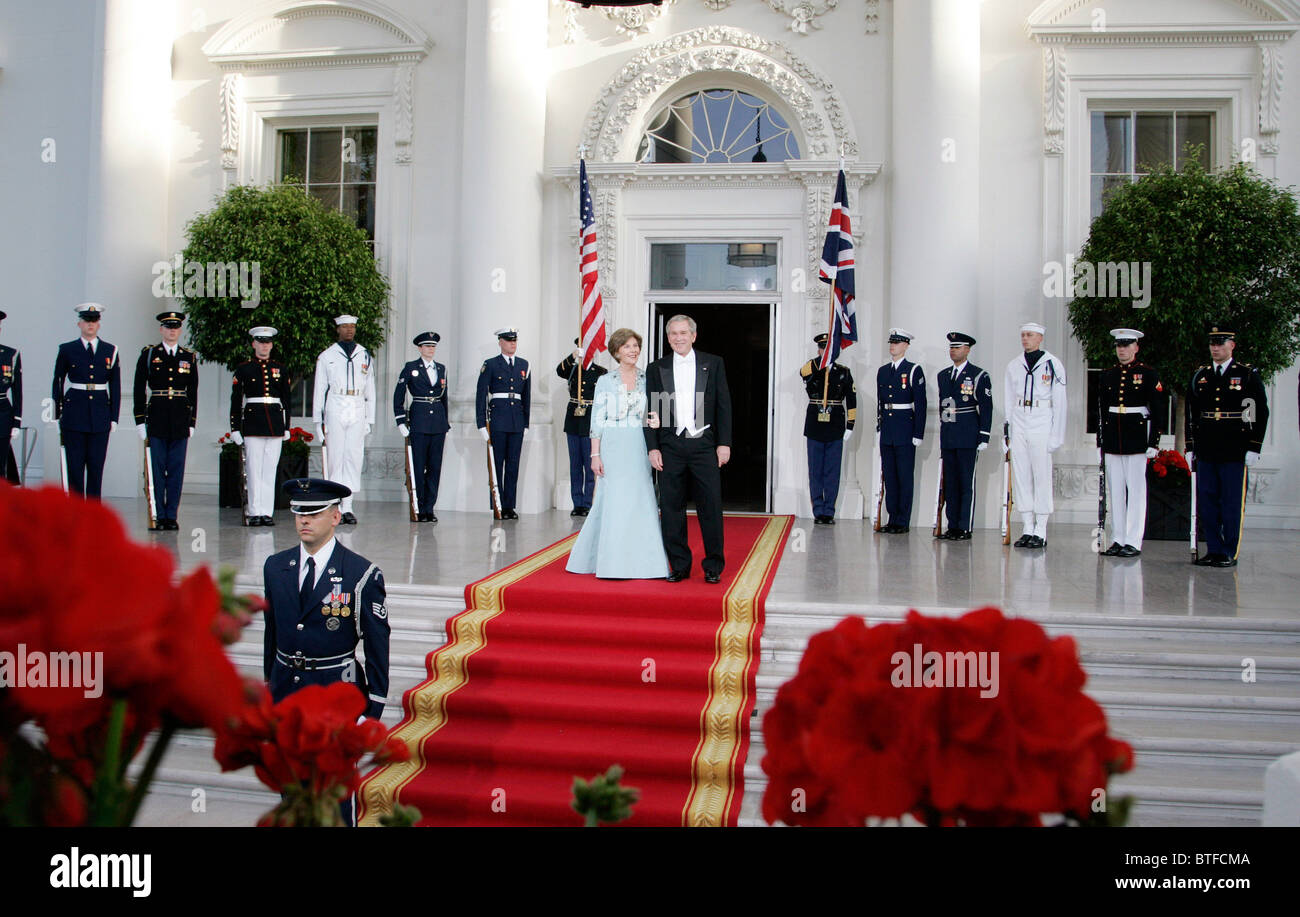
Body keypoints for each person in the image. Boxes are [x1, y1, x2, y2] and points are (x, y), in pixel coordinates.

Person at [262, 477, 389, 827]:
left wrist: (372, 710)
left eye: (314, 513)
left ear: (335, 517)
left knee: (333, 797)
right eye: (299, 513)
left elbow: (378, 647)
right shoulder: (276, 567)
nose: (304, 520)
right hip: (287, 693)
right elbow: (271, 636)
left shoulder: (360, 574)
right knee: (292, 794)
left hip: (336, 696)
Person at [565, 328, 669, 579]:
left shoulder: (649, 378)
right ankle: (612, 562)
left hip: (640, 444)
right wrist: (594, 455)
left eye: (636, 346)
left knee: (641, 499)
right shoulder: (605, 381)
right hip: (613, 445)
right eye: (627, 347)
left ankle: (646, 562)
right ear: (616, 352)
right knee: (613, 500)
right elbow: (597, 419)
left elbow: (659, 411)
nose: (633, 350)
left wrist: (658, 423)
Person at [644, 314, 732, 584]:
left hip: (704, 444)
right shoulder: (656, 368)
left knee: (711, 506)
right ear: (668, 337)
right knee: (671, 508)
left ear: (694, 336)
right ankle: (680, 565)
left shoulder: (712, 363)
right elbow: (651, 409)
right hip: (671, 445)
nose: (678, 338)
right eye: (673, 334)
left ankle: (713, 566)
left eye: (683, 333)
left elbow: (723, 405)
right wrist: (653, 447)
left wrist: (724, 443)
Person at [1186, 327, 1269, 568]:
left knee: (1231, 502)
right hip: (1207, 447)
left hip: (1235, 447)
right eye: (1212, 343)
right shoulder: (1200, 376)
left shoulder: (1246, 374)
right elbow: (1193, 413)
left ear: (1232, 345)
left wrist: (1254, 446)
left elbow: (1258, 412)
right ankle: (1213, 548)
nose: (1215, 348)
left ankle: (1229, 551)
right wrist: (1191, 444)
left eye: (1221, 343)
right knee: (1208, 501)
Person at [1098, 329, 1163, 558]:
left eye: (1126, 345)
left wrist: (1154, 441)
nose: (1122, 349)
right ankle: (1118, 538)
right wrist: (1101, 440)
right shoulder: (1108, 374)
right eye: (1118, 345)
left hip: (1137, 436)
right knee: (1115, 491)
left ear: (1136, 347)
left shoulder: (1148, 373)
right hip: (1114, 436)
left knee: (1136, 491)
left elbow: (1158, 409)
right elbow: (1101, 410)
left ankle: (1133, 541)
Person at [133, 310, 198, 531]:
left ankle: (171, 515)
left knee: (176, 470)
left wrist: (192, 422)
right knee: (157, 468)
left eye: (176, 327)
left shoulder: (188, 356)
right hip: (157, 417)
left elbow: (193, 391)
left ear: (180, 330)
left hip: (180, 418)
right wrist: (140, 420)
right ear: (161, 329)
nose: (172, 331)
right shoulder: (150, 355)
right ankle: (159, 514)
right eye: (168, 327)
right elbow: (138, 389)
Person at [1004, 321, 1067, 548]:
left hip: (1042, 418)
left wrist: (1056, 435)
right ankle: (1027, 527)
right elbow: (1009, 398)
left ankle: (1041, 528)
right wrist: (1008, 431)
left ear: (1040, 338)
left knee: (1041, 474)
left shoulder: (1053, 364)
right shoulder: (1014, 365)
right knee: (1021, 474)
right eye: (1023, 335)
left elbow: (1060, 402)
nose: (1025, 339)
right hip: (1020, 417)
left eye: (1029, 335)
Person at [312, 315, 375, 525]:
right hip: (336, 402)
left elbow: (371, 389)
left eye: (352, 327)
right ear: (337, 329)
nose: (349, 330)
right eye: (345, 327)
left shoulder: (364, 354)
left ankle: (348, 506)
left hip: (357, 403)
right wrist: (317, 420)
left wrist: (370, 418)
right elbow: (320, 389)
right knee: (335, 457)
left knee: (353, 458)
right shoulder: (327, 355)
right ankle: (334, 506)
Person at [52, 303, 120, 498]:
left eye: (94, 320)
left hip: (100, 413)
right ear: (79, 323)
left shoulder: (110, 350)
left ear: (99, 324)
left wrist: (114, 417)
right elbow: (58, 380)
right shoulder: (67, 349)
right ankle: (75, 514)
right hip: (74, 413)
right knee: (74, 467)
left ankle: (93, 514)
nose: (91, 324)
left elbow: (115, 385)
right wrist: (57, 414)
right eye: (87, 320)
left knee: (96, 467)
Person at [230, 327, 291, 526]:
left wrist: (287, 426)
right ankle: (254, 512)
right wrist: (235, 428)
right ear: (253, 344)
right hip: (253, 423)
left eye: (267, 342)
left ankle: (267, 512)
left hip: (274, 424)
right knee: (254, 469)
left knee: (269, 470)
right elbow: (236, 400)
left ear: (272, 345)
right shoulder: (244, 369)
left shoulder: (280, 368)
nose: (264, 345)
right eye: (260, 342)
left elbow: (287, 400)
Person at [935, 332, 993, 539]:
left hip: (968, 433)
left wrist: (984, 436)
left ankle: (964, 526)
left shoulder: (978, 375)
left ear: (967, 350)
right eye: (951, 347)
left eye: (958, 347)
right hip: (949, 434)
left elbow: (986, 408)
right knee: (950, 483)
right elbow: (944, 406)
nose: (954, 351)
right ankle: (952, 526)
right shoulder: (943, 375)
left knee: (965, 482)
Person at [393, 331, 449, 523]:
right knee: (417, 466)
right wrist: (401, 420)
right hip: (419, 421)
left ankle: (429, 508)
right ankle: (417, 506)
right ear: (420, 348)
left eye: (433, 346)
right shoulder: (411, 367)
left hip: (438, 424)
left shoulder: (441, 369)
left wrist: (445, 422)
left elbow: (444, 398)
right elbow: (398, 395)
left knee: (435, 467)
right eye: (427, 346)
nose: (430, 350)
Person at [800, 332, 856, 525]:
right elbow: (802, 372)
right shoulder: (812, 367)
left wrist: (850, 425)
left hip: (835, 424)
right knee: (815, 470)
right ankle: (818, 510)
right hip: (815, 424)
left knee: (832, 470)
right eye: (823, 348)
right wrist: (821, 360)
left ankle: (829, 511)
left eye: (829, 349)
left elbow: (852, 400)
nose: (825, 351)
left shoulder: (844, 372)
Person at [475, 327, 530, 519]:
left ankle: (509, 506)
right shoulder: (490, 364)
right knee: (497, 464)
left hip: (517, 420)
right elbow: (481, 395)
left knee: (513, 465)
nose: (512, 344)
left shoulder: (524, 364)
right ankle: (497, 504)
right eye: (508, 340)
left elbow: (527, 396)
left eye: (514, 340)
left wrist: (526, 423)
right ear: (500, 342)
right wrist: (481, 423)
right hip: (498, 420)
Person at [876, 328, 926, 533]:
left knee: (904, 476)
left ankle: (902, 521)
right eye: (891, 342)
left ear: (906, 345)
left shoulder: (914, 370)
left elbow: (921, 404)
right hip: (888, 430)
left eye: (897, 342)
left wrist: (918, 433)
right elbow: (881, 402)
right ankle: (892, 517)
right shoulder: (883, 371)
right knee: (890, 475)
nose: (892, 346)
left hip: (905, 429)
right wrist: (879, 426)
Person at [557, 337, 607, 517]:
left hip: (590, 420)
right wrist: (573, 356)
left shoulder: (601, 372)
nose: (586, 352)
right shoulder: (572, 369)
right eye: (582, 348)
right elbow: (559, 370)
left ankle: (587, 502)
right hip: (573, 420)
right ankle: (577, 503)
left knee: (589, 463)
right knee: (575, 464)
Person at [0, 310, 22, 483]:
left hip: (2, 413)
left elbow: (17, 391)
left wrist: (16, 421)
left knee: (1, 464)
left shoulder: (10, 355)